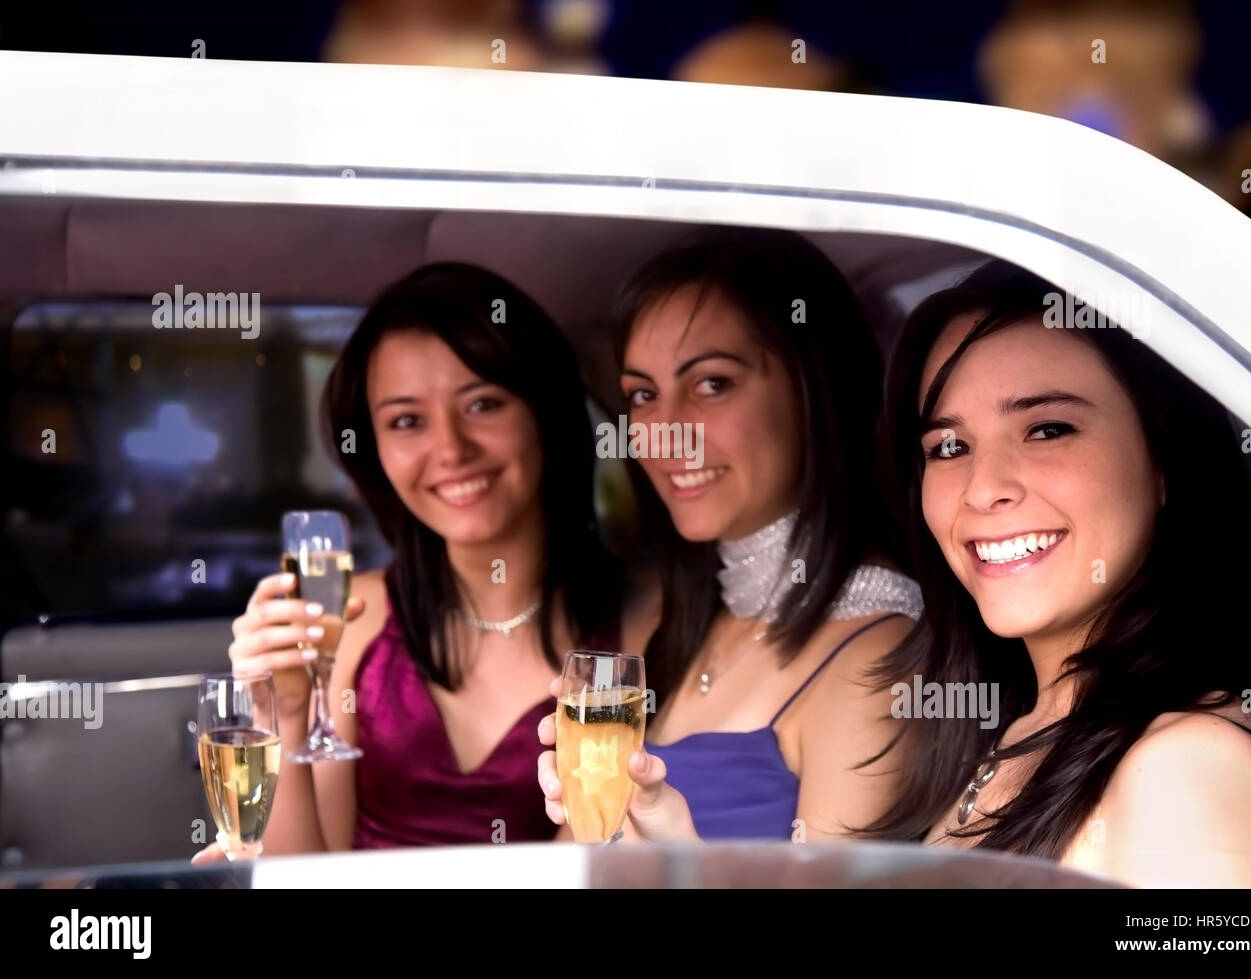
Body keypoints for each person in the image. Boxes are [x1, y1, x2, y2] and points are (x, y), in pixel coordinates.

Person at [865, 260, 1251, 886]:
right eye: (949, 447)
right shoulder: (1004, 730)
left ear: (1164, 461)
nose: (982, 489)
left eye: (1047, 430)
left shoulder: (1192, 768)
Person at [199, 262, 622, 857]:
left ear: (544, 412)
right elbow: (303, 879)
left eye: (483, 405)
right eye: (407, 421)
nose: (450, 449)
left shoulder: (637, 635)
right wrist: (286, 713)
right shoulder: (351, 621)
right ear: (374, 451)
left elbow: (590, 862)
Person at [538, 227, 921, 841]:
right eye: (642, 395)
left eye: (711, 384)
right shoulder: (673, 620)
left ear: (812, 388)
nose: (665, 433)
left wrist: (677, 863)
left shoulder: (881, 661)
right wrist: (596, 823)